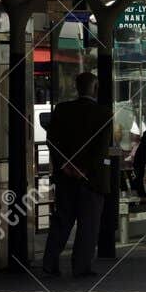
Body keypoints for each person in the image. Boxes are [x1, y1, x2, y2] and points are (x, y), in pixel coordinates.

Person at [43, 71, 114, 277]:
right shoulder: (104, 114)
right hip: (92, 179)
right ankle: (81, 266)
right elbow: (101, 149)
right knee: (88, 225)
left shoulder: (62, 110)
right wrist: (85, 169)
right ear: (95, 88)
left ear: (77, 87)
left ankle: (50, 262)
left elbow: (51, 139)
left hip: (66, 177)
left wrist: (66, 165)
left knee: (62, 220)